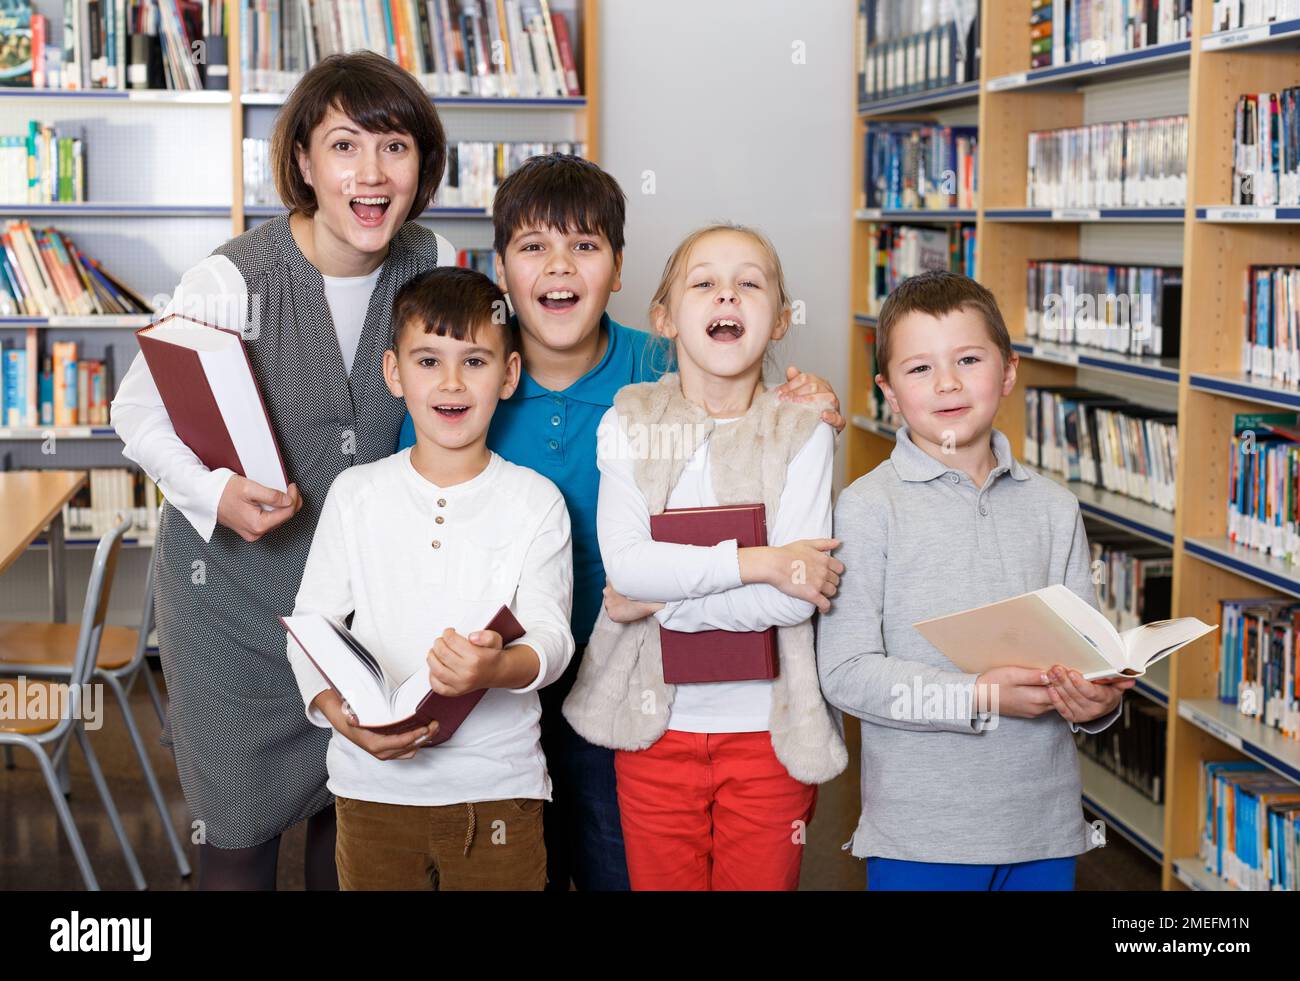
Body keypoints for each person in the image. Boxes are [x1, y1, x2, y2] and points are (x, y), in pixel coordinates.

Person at [110, 51, 455, 890]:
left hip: (359, 608)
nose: (371, 174)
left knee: (352, 829)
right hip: (233, 607)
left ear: (423, 164)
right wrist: (214, 492)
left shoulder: (435, 258)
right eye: (344, 146)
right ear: (302, 161)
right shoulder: (229, 278)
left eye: (395, 147)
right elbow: (136, 410)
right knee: (236, 837)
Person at [816, 269, 1135, 891]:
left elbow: (1088, 659)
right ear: (886, 389)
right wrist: (980, 695)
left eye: (968, 358)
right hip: (921, 835)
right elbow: (846, 674)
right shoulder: (867, 507)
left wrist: (1098, 704)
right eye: (919, 369)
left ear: (1009, 371)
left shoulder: (1054, 508)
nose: (948, 383)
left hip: (1044, 826)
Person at [562, 223, 848, 890]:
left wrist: (663, 603)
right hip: (653, 731)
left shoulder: (803, 429)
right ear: (664, 316)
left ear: (778, 321)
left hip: (769, 740)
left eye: (749, 283)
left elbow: (794, 592)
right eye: (705, 283)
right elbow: (628, 566)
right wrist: (760, 561)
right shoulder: (629, 421)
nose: (728, 295)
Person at [288, 266, 573, 890]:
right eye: (427, 361)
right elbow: (312, 629)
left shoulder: (536, 501)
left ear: (510, 375)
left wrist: (496, 669)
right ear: (394, 373)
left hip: (499, 791)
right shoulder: (356, 493)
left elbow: (552, 638)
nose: (451, 382)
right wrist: (341, 716)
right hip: (372, 791)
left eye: (475, 361)